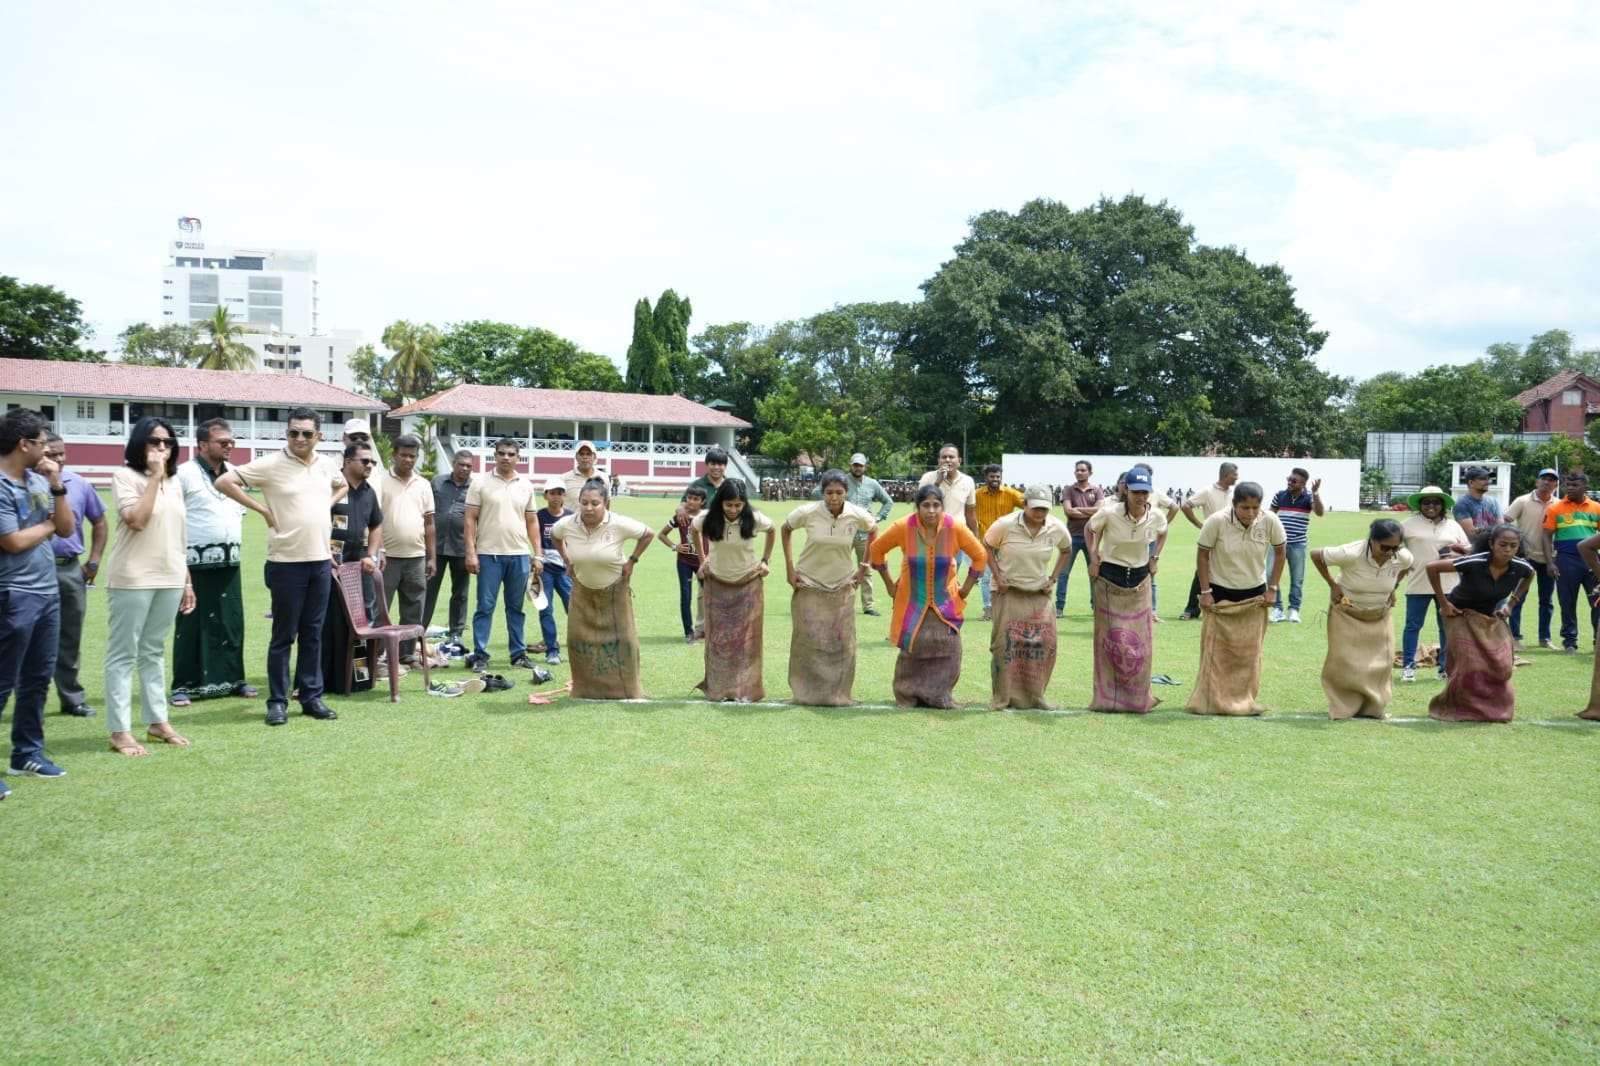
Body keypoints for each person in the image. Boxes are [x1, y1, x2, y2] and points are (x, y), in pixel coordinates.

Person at [216, 406, 345, 726]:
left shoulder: (326, 465)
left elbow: (341, 484)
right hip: (286, 564)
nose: (299, 438)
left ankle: (311, 697)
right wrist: (262, 509)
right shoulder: (272, 464)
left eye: (306, 433)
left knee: (313, 634)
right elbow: (225, 481)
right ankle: (277, 702)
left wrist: (325, 505)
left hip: (320, 562)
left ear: (319, 436)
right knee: (284, 636)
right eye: (293, 433)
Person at [102, 417, 195, 755]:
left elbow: (178, 536)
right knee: (123, 653)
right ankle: (120, 731)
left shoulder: (175, 481)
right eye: (155, 441)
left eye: (168, 442)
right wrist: (155, 477)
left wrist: (186, 580)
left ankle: (158, 721)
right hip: (133, 577)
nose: (162, 448)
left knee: (153, 651)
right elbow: (137, 521)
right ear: (139, 444)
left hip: (170, 575)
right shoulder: (125, 477)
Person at [0, 408, 75, 791]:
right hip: (12, 593)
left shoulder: (38, 480)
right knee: (3, 681)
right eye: (42, 444)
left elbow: (66, 528)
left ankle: (26, 753)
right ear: (23, 444)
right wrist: (47, 526)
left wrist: (57, 484)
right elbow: (12, 541)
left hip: (46, 592)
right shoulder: (1, 485)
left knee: (37, 679)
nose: (48, 451)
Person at [870, 484, 985, 708]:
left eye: (936, 505)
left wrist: (965, 590)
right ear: (918, 507)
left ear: (942, 506)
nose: (931, 510)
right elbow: (876, 549)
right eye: (926, 505)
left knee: (949, 649)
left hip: (946, 600)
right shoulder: (903, 527)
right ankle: (907, 695)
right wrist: (889, 585)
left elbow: (980, 555)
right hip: (911, 599)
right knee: (912, 647)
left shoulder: (955, 527)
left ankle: (941, 696)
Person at [170, 418, 254, 705]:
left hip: (230, 561)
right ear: (203, 444)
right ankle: (184, 685)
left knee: (231, 623)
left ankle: (233, 680)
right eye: (223, 442)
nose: (229, 446)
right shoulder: (183, 474)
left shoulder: (235, 474)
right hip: (193, 564)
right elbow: (173, 520)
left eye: (232, 441)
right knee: (191, 625)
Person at [1186, 482, 1286, 716]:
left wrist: (1273, 588)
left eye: (1255, 508)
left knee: (1249, 654)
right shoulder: (1216, 521)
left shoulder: (1270, 520)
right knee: (1215, 652)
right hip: (1220, 592)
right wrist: (1206, 592)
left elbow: (1281, 552)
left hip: (1254, 595)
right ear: (1234, 504)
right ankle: (1210, 700)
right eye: (1244, 508)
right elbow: (1202, 555)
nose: (1250, 513)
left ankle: (1243, 700)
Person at [551, 478, 654, 698]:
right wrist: (567, 560)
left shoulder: (618, 523)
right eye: (584, 502)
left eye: (595, 503)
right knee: (578, 640)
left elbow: (648, 534)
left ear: (605, 504)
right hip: (581, 591)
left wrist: (632, 561)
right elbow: (554, 535)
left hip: (615, 591)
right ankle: (585, 689)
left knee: (624, 642)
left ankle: (628, 690)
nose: (589, 508)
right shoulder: (567, 524)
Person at [782, 468, 877, 705]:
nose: (834, 498)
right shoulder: (808, 512)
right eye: (829, 492)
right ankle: (804, 692)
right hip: (808, 582)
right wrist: (790, 568)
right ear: (822, 492)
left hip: (842, 583)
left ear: (846, 492)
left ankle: (839, 693)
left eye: (839, 493)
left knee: (841, 641)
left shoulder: (856, 514)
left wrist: (864, 566)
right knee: (808, 639)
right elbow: (785, 528)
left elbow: (873, 529)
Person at [1425, 525, 1534, 722]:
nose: (1508, 550)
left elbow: (1530, 575)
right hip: (1459, 614)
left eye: (1513, 546)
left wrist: (1511, 603)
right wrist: (1444, 603)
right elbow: (1432, 567)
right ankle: (1460, 708)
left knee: (1501, 665)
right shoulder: (1476, 561)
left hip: (1487, 616)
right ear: (1492, 544)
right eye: (1502, 545)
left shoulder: (1520, 567)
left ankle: (1492, 709)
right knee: (1467, 665)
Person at [1311, 519, 1413, 720]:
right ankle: (1343, 706)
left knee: (1382, 662)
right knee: (1344, 661)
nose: (1390, 553)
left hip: (1380, 613)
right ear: (1372, 541)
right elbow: (1316, 555)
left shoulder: (1402, 556)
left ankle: (1374, 707)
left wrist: (1393, 588)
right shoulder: (1351, 553)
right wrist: (1333, 585)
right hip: (1347, 612)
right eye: (1385, 547)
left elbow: (1406, 567)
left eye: (1395, 548)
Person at [1084, 468, 1168, 712]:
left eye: (1145, 493)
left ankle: (1137, 695)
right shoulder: (1109, 512)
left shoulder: (1156, 516)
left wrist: (1155, 557)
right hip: (1110, 574)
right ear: (1126, 490)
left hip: (1140, 576)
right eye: (1136, 492)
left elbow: (1163, 533)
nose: (1140, 497)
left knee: (1140, 640)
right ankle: (1108, 697)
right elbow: (1090, 529)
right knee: (1109, 639)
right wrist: (1094, 557)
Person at [984, 484, 1070, 710]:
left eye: (1044, 508)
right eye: (1035, 508)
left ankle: (1035, 697)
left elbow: (1066, 550)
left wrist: (1053, 578)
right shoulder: (1005, 525)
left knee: (1044, 644)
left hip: (1039, 592)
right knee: (1004, 644)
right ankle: (1002, 697)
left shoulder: (1056, 527)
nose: (1040, 513)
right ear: (1024, 505)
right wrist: (998, 576)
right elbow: (987, 546)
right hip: (1008, 590)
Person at [463, 438, 542, 673]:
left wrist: (538, 554)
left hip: (519, 555)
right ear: (494, 455)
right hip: (489, 555)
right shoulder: (480, 483)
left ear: (518, 457)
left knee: (516, 608)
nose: (506, 457)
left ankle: (518, 654)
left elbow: (532, 521)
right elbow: (470, 519)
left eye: (511, 454)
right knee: (485, 607)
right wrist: (471, 552)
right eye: (502, 453)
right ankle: (480, 656)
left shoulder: (525, 485)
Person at [43, 431, 107, 717]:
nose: (58, 459)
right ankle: (26, 700)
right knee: (22, 635)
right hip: (29, 568)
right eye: (51, 454)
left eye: (62, 453)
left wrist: (93, 562)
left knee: (70, 636)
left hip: (69, 568)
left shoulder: (79, 484)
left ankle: (72, 699)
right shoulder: (22, 483)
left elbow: (100, 521)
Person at [694, 479, 775, 702]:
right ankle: (720, 687)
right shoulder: (708, 518)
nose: (733, 509)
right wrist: (703, 560)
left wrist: (765, 560)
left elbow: (772, 529)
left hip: (748, 582)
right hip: (717, 582)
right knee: (718, 637)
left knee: (745, 639)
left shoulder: (753, 518)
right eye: (728, 505)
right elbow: (694, 529)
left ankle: (745, 688)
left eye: (738, 505)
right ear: (720, 502)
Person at [321, 442, 384, 695]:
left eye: (372, 462)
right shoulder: (331, 486)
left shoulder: (369, 492)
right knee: (328, 620)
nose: (370, 465)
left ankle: (358, 677)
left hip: (359, 567)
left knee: (362, 618)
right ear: (347, 461)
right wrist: (324, 551)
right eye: (364, 461)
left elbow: (377, 524)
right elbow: (314, 518)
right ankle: (323, 679)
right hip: (329, 566)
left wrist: (371, 555)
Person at [1399, 486, 1470, 682]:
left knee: (1447, 627)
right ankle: (1408, 667)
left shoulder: (1454, 526)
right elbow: (1393, 546)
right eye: (1426, 502)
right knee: (1412, 626)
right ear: (1420, 505)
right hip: (1418, 583)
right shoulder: (1407, 524)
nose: (1431, 506)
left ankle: (1445, 668)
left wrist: (1456, 553)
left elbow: (1468, 549)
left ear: (1443, 505)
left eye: (1436, 502)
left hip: (1449, 585)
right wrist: (1404, 562)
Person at [375, 434, 435, 666]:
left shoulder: (423, 484)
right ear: (394, 455)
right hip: (387, 558)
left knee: (413, 609)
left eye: (413, 456)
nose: (408, 460)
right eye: (404, 455)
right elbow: (374, 521)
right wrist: (379, 549)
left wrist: (431, 557)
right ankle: (377, 655)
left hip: (416, 557)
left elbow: (429, 524)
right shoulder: (380, 481)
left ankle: (406, 655)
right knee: (382, 609)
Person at [1542, 470, 1600, 654]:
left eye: (1575, 485)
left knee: (1597, 601)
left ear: (1585, 487)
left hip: (1591, 560)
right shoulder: (1555, 508)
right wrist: (1550, 562)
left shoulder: (1596, 508)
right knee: (1567, 602)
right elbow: (1546, 536)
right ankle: (1570, 642)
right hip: (1566, 560)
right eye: (1568, 485)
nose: (1571, 488)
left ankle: (1597, 640)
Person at [1504, 468, 1559, 650]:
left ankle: (1545, 638)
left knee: (1547, 600)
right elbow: (1505, 521)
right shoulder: (1522, 501)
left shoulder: (1558, 504)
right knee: (1517, 597)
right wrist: (1514, 545)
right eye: (1543, 479)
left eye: (1551, 480)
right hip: (1525, 557)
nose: (1546, 482)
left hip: (1549, 560)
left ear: (1556, 485)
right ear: (1537, 482)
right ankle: (1514, 637)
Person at [426, 449, 475, 653]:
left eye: (468, 466)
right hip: (435, 547)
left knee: (460, 594)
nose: (464, 468)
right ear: (453, 463)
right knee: (428, 590)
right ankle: (419, 628)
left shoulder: (475, 488)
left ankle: (456, 633)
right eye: (461, 464)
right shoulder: (437, 483)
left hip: (461, 547)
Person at [1177, 462, 1238, 620]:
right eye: (1235, 474)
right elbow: (1186, 506)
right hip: (1212, 538)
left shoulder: (1234, 493)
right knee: (1202, 572)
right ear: (1226, 475)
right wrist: (1201, 526)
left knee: (1228, 571)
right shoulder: (1207, 491)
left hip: (1231, 538)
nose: (1237, 477)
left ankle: (1224, 607)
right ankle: (1191, 610)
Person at [1268, 467, 1324, 623]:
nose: (1290, 482)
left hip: (1298, 544)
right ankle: (1277, 609)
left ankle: (1294, 609)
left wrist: (1316, 493)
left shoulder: (1309, 497)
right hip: (1277, 543)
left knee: (1297, 578)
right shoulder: (1280, 495)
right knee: (1270, 575)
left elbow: (1320, 512)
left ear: (1303, 483)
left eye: (1294, 481)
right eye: (1289, 479)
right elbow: (1270, 515)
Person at [973, 464, 1025, 621]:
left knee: (1008, 574)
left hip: (1006, 542)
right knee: (986, 578)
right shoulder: (976, 495)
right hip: (984, 543)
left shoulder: (1010, 493)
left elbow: (1029, 506)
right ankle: (988, 609)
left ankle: (1009, 608)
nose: (995, 479)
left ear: (1001, 477)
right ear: (985, 478)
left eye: (997, 476)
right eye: (992, 476)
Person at [844, 453, 893, 616]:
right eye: (855, 465)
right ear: (850, 466)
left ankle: (868, 606)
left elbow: (888, 501)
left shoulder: (872, 484)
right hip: (845, 531)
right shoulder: (842, 481)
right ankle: (842, 602)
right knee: (841, 567)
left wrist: (877, 518)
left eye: (860, 465)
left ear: (865, 467)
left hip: (866, 534)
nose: (857, 468)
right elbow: (820, 493)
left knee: (865, 569)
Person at [658, 483, 707, 643]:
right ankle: (689, 633)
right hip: (684, 562)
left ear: (703, 501)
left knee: (709, 596)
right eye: (689, 498)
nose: (692, 502)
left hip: (703, 562)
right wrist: (675, 546)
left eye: (696, 499)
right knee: (686, 596)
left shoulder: (707, 517)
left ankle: (709, 630)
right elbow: (661, 534)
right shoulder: (680, 517)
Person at [1056, 460, 1103, 617]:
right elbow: (1068, 511)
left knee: (1094, 572)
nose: (1079, 472)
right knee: (1063, 573)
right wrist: (1089, 511)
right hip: (1072, 537)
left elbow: (1099, 510)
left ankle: (1096, 605)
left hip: (1092, 537)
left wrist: (1078, 510)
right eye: (1077, 470)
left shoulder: (1097, 490)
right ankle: (1059, 607)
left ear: (1090, 473)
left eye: (1083, 470)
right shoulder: (1069, 490)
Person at [534, 478, 572, 666]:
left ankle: (578, 646)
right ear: (545, 495)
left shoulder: (572, 517)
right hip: (545, 569)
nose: (556, 497)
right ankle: (552, 650)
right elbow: (534, 538)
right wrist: (537, 558)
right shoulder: (539, 516)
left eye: (560, 493)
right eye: (552, 493)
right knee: (545, 609)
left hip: (566, 569)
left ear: (564, 496)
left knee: (573, 608)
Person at [917, 444, 978, 548]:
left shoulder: (968, 481)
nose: (947, 460)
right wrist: (938, 482)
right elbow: (921, 503)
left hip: (958, 536)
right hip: (933, 535)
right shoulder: (927, 478)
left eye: (951, 457)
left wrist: (976, 539)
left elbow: (970, 513)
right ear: (939, 461)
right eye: (944, 457)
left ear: (959, 461)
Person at [1452, 465, 1503, 537]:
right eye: (1484, 479)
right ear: (1471, 483)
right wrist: (1493, 530)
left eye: (1488, 479)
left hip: (1492, 543)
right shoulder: (1462, 504)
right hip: (1473, 544)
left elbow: (1501, 528)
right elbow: (1471, 533)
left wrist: (1482, 530)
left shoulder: (1493, 502)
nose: (1488, 482)